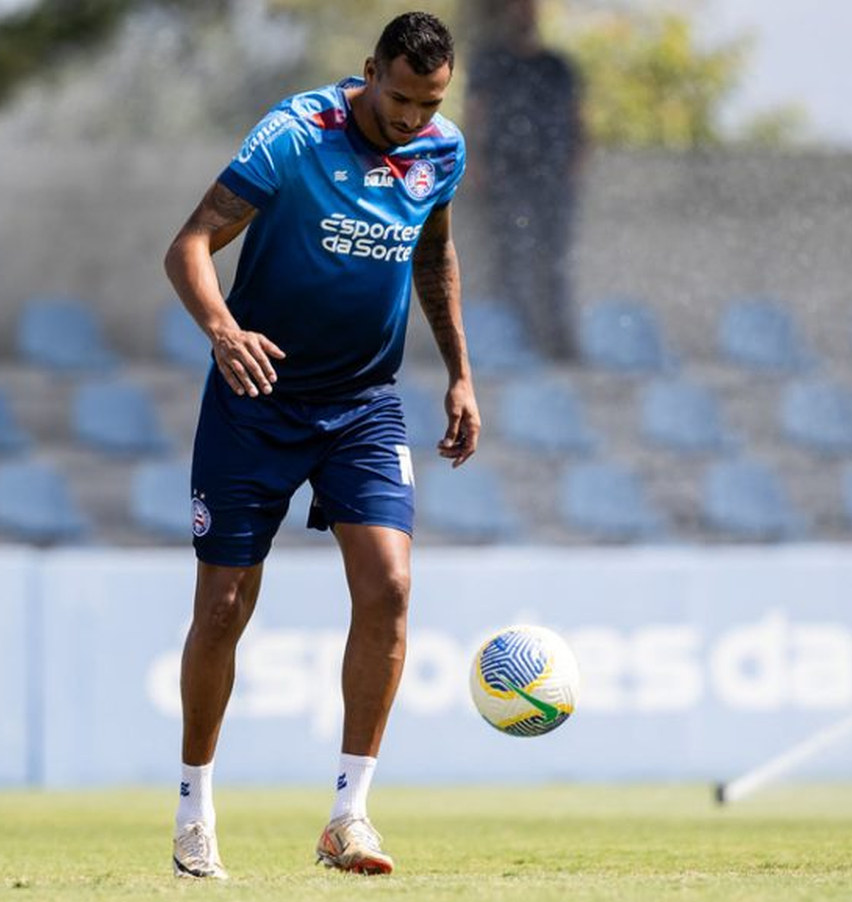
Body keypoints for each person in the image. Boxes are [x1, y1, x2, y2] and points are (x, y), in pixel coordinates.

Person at [162, 11, 478, 879]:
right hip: (255, 400)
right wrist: (223, 330)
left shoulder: (441, 151)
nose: (413, 118)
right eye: (402, 97)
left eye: (431, 103)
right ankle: (194, 814)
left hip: (364, 405)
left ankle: (349, 817)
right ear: (370, 70)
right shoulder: (296, 133)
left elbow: (434, 258)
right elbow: (189, 245)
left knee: (391, 588)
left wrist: (460, 373)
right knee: (223, 608)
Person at [465, 0, 585, 361]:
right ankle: (515, 342)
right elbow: (475, 113)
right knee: (509, 261)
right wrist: (476, 163)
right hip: (506, 175)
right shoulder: (490, 62)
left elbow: (578, 119)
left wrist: (575, 165)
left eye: (529, 6)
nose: (524, 12)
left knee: (553, 261)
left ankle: (559, 343)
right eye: (518, 6)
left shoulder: (557, 66)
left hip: (552, 176)